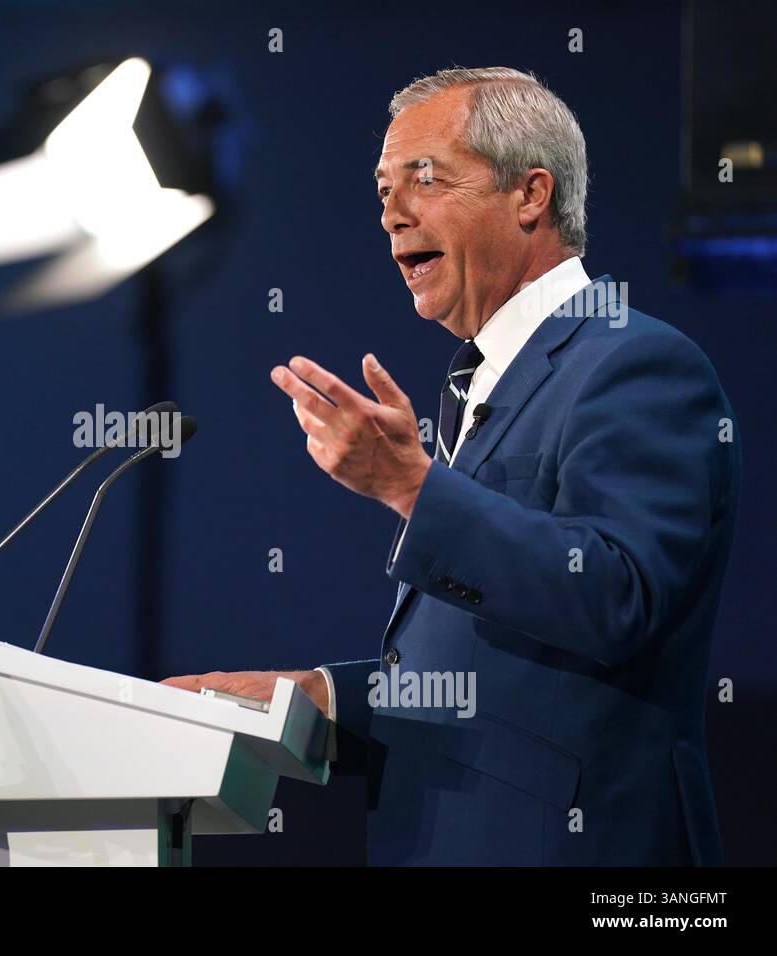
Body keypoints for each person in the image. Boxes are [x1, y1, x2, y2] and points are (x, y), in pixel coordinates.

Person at [163, 67, 740, 865]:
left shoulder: (637, 363)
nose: (392, 214)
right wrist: (319, 696)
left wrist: (409, 484)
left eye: (424, 179)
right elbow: (496, 684)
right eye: (383, 190)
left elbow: (616, 598)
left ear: (530, 194)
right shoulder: (480, 382)